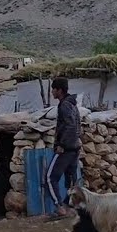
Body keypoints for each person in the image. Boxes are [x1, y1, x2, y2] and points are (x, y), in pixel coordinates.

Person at [46, 77, 81, 219]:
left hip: (66, 148)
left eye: (53, 89)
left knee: (50, 177)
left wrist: (61, 144)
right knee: (71, 180)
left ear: (59, 90)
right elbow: (77, 125)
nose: (52, 92)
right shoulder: (73, 104)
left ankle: (60, 207)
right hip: (74, 147)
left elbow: (70, 125)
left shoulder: (64, 105)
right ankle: (72, 207)